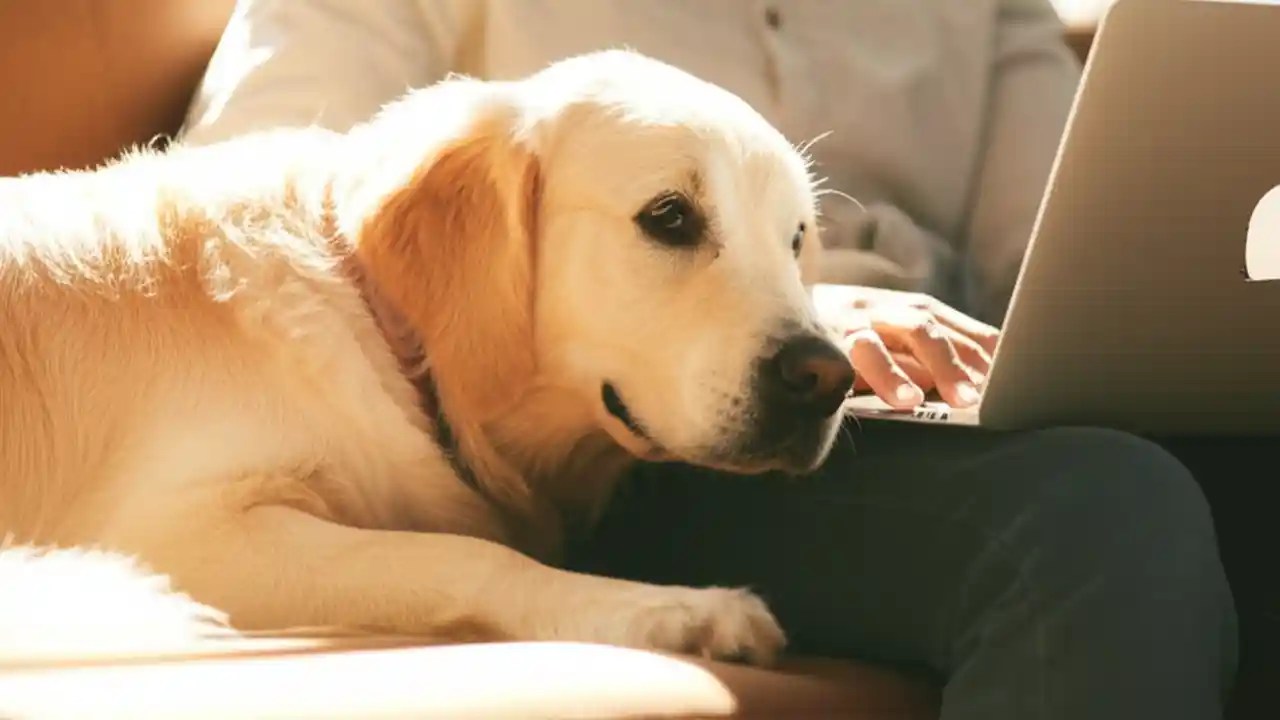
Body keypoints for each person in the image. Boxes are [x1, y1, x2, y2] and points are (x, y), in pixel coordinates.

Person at [179, 2, 1239, 718]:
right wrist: (794, 305)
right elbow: (249, 204)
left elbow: (1088, 245)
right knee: (1094, 513)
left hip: (937, 395)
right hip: (597, 451)